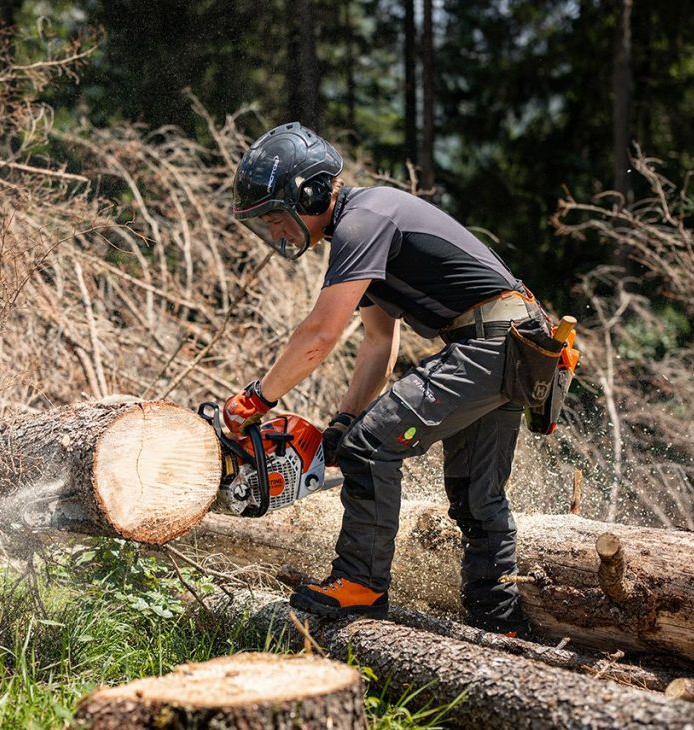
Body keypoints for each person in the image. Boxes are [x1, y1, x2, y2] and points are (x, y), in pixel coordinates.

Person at [224, 121, 556, 634]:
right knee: (474, 492)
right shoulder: (364, 227)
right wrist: (344, 421)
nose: (275, 232)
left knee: (373, 448)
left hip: (495, 343)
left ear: (309, 193)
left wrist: (256, 399)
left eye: (275, 217)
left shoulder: (363, 221)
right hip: (512, 342)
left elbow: (319, 334)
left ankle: (360, 583)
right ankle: (498, 619)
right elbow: (380, 340)